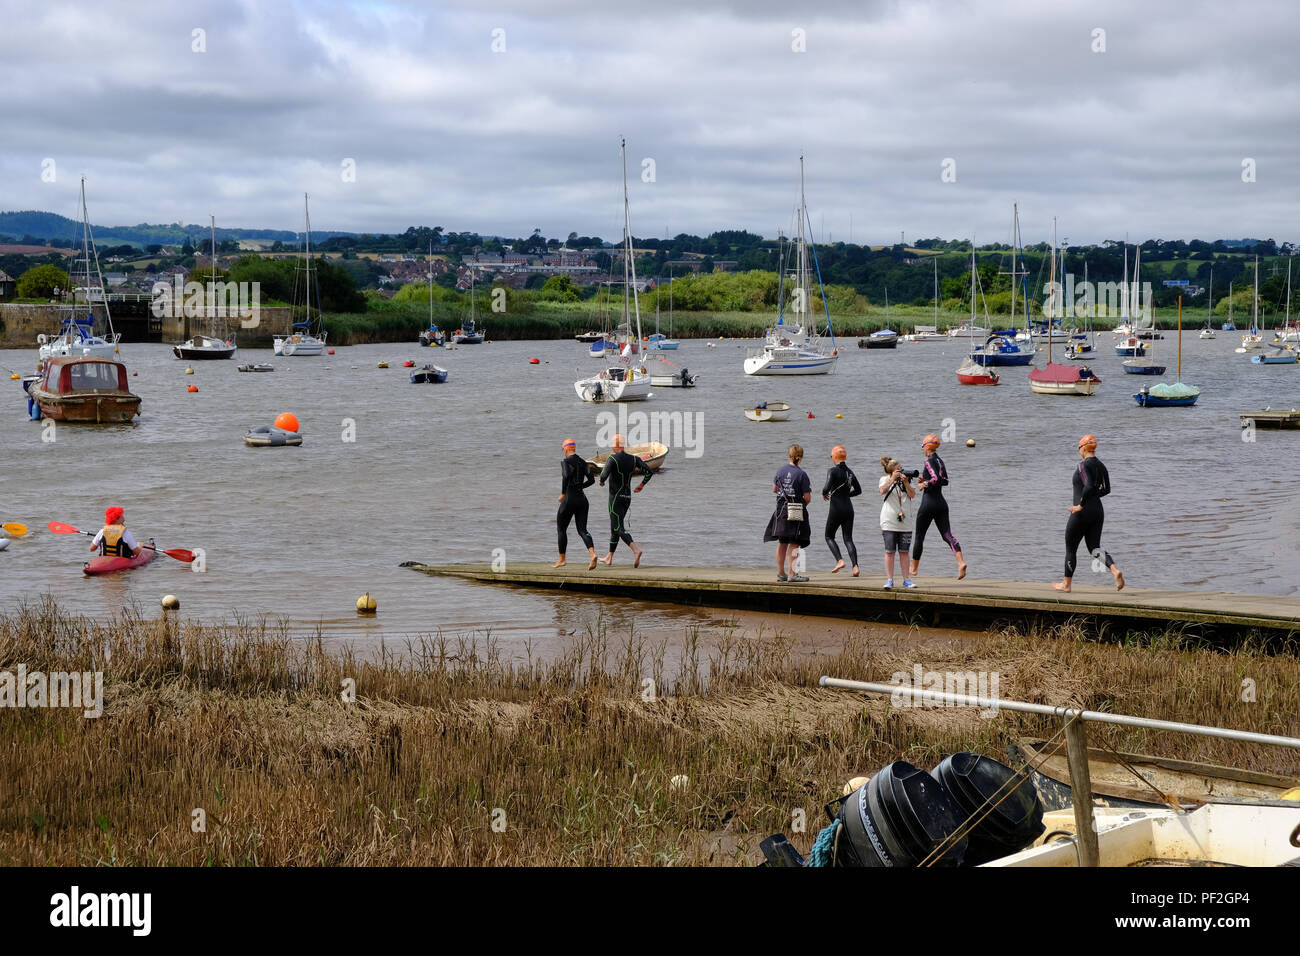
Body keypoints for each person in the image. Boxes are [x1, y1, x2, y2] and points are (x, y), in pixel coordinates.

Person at [1055, 434, 1124, 593]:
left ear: (1083, 448)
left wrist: (1080, 505)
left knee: (1070, 548)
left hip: (1082, 512)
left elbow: (1087, 486)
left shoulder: (1082, 465)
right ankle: (1114, 570)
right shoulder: (1101, 465)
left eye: (1079, 448)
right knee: (1094, 547)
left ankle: (1066, 584)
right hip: (1097, 511)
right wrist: (1092, 499)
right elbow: (1107, 489)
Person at [909, 434, 968, 581]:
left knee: (919, 536)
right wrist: (925, 479)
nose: (923, 449)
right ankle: (961, 562)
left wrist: (924, 484)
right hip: (941, 503)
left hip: (928, 504)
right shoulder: (940, 461)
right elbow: (945, 481)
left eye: (923, 446)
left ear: (928, 447)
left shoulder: (928, 460)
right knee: (947, 535)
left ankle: (914, 569)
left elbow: (935, 479)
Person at [598, 433, 651, 566]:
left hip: (615, 498)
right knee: (614, 528)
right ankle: (609, 558)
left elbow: (603, 475)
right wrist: (641, 485)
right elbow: (649, 471)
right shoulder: (634, 459)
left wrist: (602, 482)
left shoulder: (613, 458)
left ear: (616, 445)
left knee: (618, 527)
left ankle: (635, 550)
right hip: (627, 498)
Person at [764, 443, 812, 582]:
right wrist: (801, 507)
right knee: (795, 542)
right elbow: (807, 498)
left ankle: (781, 573)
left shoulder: (780, 471)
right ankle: (792, 574)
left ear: (789, 455)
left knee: (782, 541)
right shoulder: (802, 474)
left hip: (780, 509)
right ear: (801, 457)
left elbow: (774, 489)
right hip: (795, 509)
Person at [554, 438, 598, 571]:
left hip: (569, 499)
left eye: (563, 450)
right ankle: (592, 554)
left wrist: (563, 493)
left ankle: (562, 559)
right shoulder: (583, 462)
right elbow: (591, 480)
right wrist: (580, 486)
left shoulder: (566, 462)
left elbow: (566, 476)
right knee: (582, 530)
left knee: (561, 529)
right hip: (582, 500)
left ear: (567, 449)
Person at [822, 445, 862, 576]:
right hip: (849, 509)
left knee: (829, 536)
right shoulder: (850, 472)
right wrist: (846, 495)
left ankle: (839, 560)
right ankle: (855, 567)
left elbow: (826, 488)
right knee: (848, 539)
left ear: (834, 457)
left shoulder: (832, 471)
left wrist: (824, 493)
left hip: (836, 509)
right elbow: (858, 490)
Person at [878, 457, 917, 589]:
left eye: (901, 468)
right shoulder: (884, 479)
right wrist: (892, 480)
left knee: (904, 552)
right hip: (889, 521)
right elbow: (882, 491)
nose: (901, 470)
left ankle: (906, 579)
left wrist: (906, 482)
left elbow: (913, 495)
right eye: (898, 469)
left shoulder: (907, 480)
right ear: (891, 471)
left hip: (905, 523)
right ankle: (889, 580)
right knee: (890, 552)